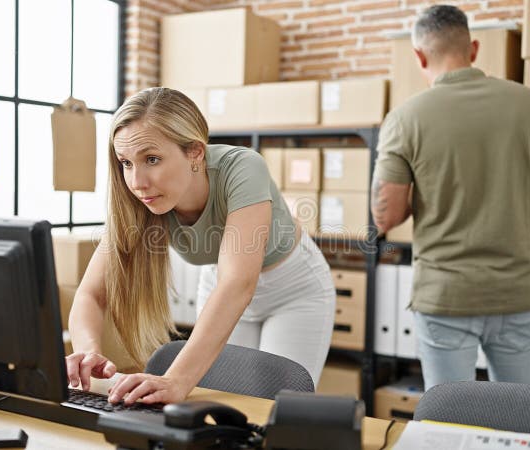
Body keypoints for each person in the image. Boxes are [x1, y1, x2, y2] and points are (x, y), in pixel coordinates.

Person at [66, 87, 336, 405]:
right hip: (221, 284)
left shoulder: (243, 168)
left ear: (195, 152)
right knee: (224, 403)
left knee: (281, 408)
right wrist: (87, 351)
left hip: (293, 289)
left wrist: (175, 380)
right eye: (126, 163)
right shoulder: (140, 199)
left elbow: (239, 283)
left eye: (151, 159)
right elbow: (91, 294)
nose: (137, 181)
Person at [372, 5, 530, 390]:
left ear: (419, 56)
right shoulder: (529, 103)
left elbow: (385, 217)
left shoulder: (405, 118)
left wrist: (426, 192)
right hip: (518, 291)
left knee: (448, 420)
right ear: (473, 48)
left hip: (445, 296)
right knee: (520, 421)